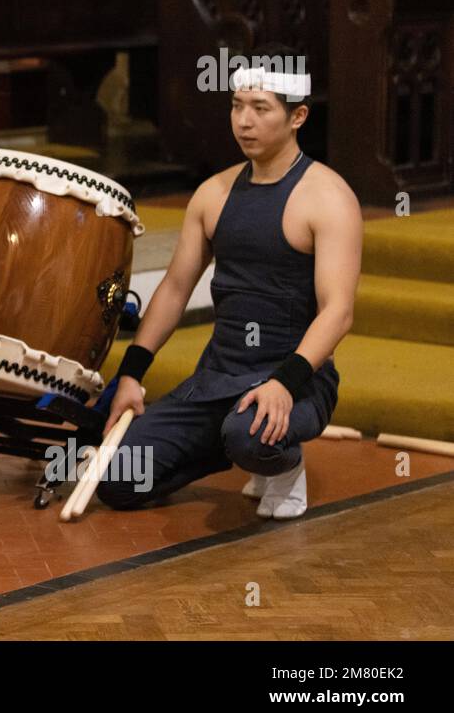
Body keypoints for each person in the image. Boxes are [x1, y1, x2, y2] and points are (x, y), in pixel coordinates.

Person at [97, 45, 361, 519]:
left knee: (249, 435)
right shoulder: (213, 193)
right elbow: (176, 288)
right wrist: (131, 374)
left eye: (260, 109)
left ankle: (280, 462)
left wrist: (284, 383)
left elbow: (338, 311)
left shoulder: (329, 198)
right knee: (118, 479)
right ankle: (234, 442)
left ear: (297, 116)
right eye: (237, 106)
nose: (244, 121)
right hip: (217, 378)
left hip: (298, 381)